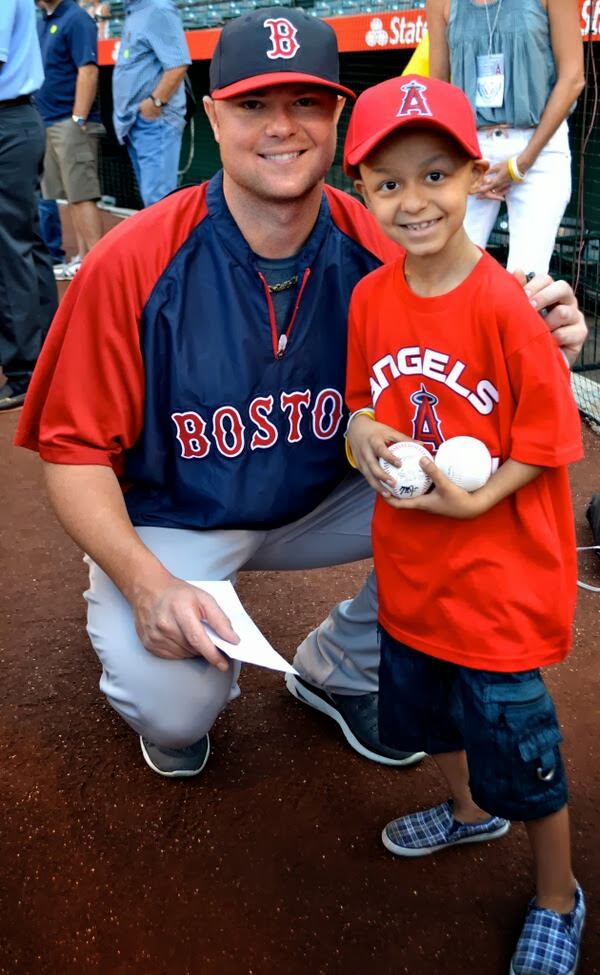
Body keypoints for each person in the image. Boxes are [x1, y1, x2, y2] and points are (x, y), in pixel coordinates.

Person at [15, 8, 587, 782]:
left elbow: (483, 370)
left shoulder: (385, 246)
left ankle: (341, 665)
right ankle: (139, 607)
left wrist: (541, 336)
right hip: (179, 516)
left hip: (329, 503)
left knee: (473, 482)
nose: (281, 127)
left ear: (336, 119)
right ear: (213, 116)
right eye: (253, 103)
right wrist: (145, 584)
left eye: (306, 103)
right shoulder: (135, 260)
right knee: (173, 709)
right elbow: (72, 452)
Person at [343, 74, 584, 975]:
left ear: (477, 176)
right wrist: (362, 429)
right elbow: (362, 402)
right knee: (423, 716)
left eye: (436, 175)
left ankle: (558, 893)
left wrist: (479, 499)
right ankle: (468, 812)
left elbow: (550, 439)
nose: (413, 201)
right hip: (411, 577)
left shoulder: (505, 304)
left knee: (524, 753)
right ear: (364, 192)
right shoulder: (371, 299)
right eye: (389, 182)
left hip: (495, 589)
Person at [426, 0, 584, 275]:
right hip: (469, 149)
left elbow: (572, 78)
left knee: (525, 279)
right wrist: (460, 161)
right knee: (447, 272)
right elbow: (438, 85)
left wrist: (521, 163)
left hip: (538, 145)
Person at [0, 0, 58, 412]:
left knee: (10, 248)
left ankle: (25, 371)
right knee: (25, 243)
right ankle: (47, 356)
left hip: (8, 122)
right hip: (16, 120)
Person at [36, 0, 105, 279]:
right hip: (49, 120)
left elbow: (88, 70)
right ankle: (83, 257)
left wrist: (78, 119)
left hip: (69, 121)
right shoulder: (43, 21)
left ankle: (98, 264)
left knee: (83, 194)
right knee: (70, 196)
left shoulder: (76, 18)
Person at [111, 0, 191, 207]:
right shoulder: (135, 11)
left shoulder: (158, 8)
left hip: (155, 123)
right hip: (135, 122)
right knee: (153, 204)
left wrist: (155, 103)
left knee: (159, 203)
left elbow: (178, 64)